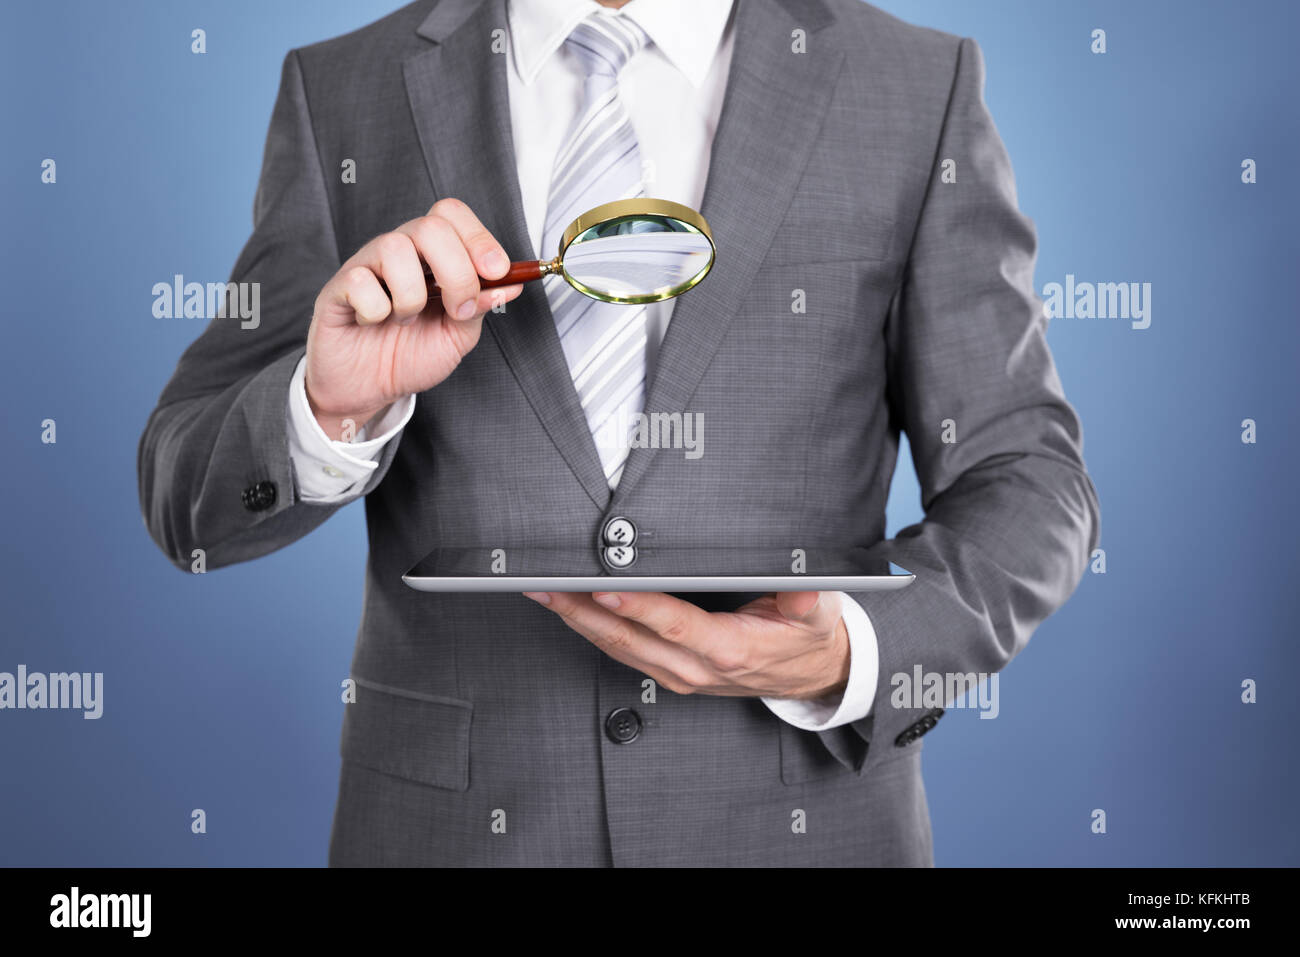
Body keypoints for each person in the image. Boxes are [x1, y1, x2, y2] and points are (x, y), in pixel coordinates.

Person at [138, 0, 1101, 866]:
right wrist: (329, 406)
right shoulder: (341, 88)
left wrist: (853, 650)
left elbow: (1030, 483)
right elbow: (189, 506)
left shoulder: (917, 87)